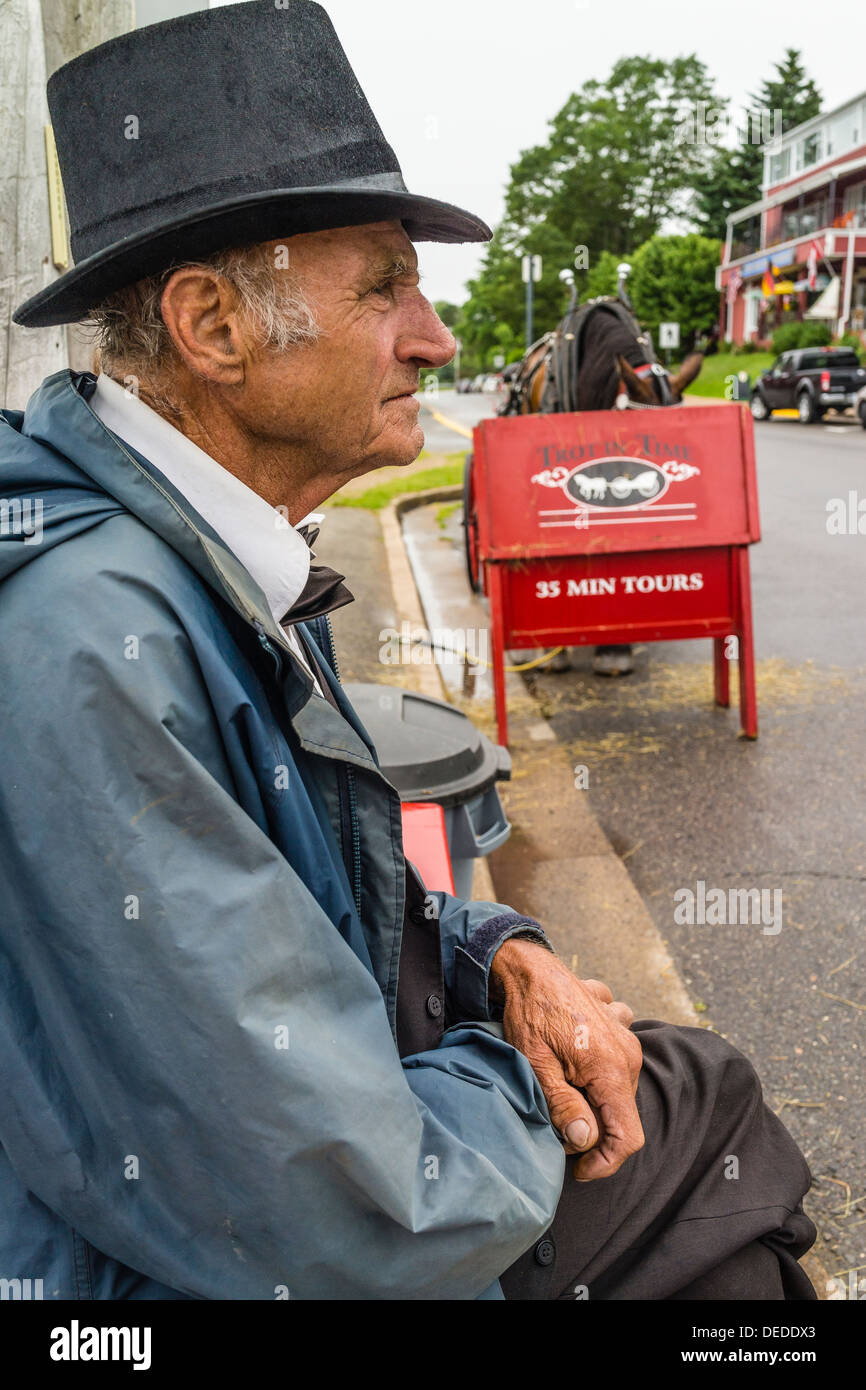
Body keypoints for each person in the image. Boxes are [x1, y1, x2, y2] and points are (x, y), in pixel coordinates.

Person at [0, 0, 816, 1300]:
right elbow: (344, 1203)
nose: (436, 339)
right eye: (383, 286)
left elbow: (304, 907)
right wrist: (516, 1055)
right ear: (213, 328)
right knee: (702, 1106)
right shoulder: (93, 636)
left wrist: (504, 960)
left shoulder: (196, 563)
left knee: (699, 1151)